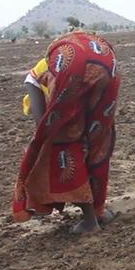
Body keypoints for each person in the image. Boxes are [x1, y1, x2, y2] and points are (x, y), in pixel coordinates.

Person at [12, 30, 121, 234]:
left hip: (73, 62)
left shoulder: (35, 79)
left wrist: (48, 142)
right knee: (99, 140)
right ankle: (98, 211)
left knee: (64, 147)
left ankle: (90, 222)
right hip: (107, 61)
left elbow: (45, 127)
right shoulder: (51, 67)